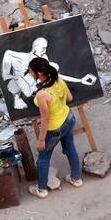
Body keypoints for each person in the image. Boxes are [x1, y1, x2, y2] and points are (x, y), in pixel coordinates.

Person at [28, 57, 82, 199]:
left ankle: (41, 190)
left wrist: (41, 140)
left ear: (39, 73)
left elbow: (45, 119)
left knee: (43, 158)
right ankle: (76, 179)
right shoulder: (58, 80)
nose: (30, 73)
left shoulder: (42, 94)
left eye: (31, 71)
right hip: (68, 119)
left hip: (55, 128)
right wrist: (57, 101)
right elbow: (69, 98)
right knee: (70, 148)